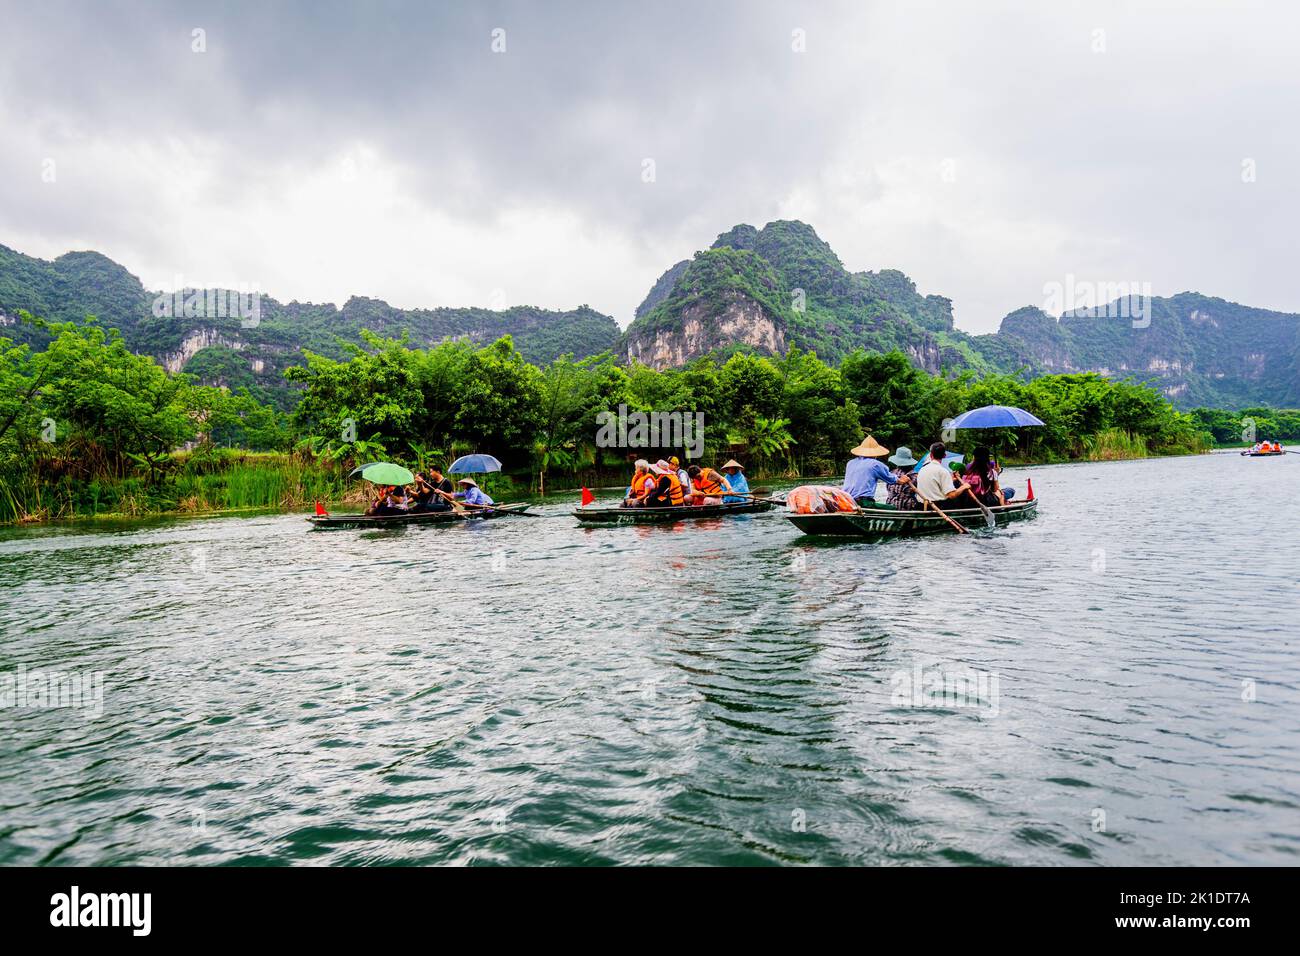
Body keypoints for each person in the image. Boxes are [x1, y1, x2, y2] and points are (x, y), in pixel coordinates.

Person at [842, 435, 905, 508]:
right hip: (862, 502)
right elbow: (892, 479)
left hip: (846, 500)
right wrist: (902, 479)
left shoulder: (850, 463)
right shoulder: (875, 464)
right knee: (893, 508)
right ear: (876, 454)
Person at [915, 441, 975, 510]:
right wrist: (964, 487)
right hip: (937, 508)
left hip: (922, 506)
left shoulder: (922, 469)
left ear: (931, 455)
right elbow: (952, 495)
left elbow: (935, 485)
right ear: (944, 455)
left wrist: (951, 479)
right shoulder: (943, 471)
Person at [884, 446, 920, 510]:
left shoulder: (891, 473)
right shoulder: (915, 476)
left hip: (890, 506)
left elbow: (888, 488)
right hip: (907, 507)